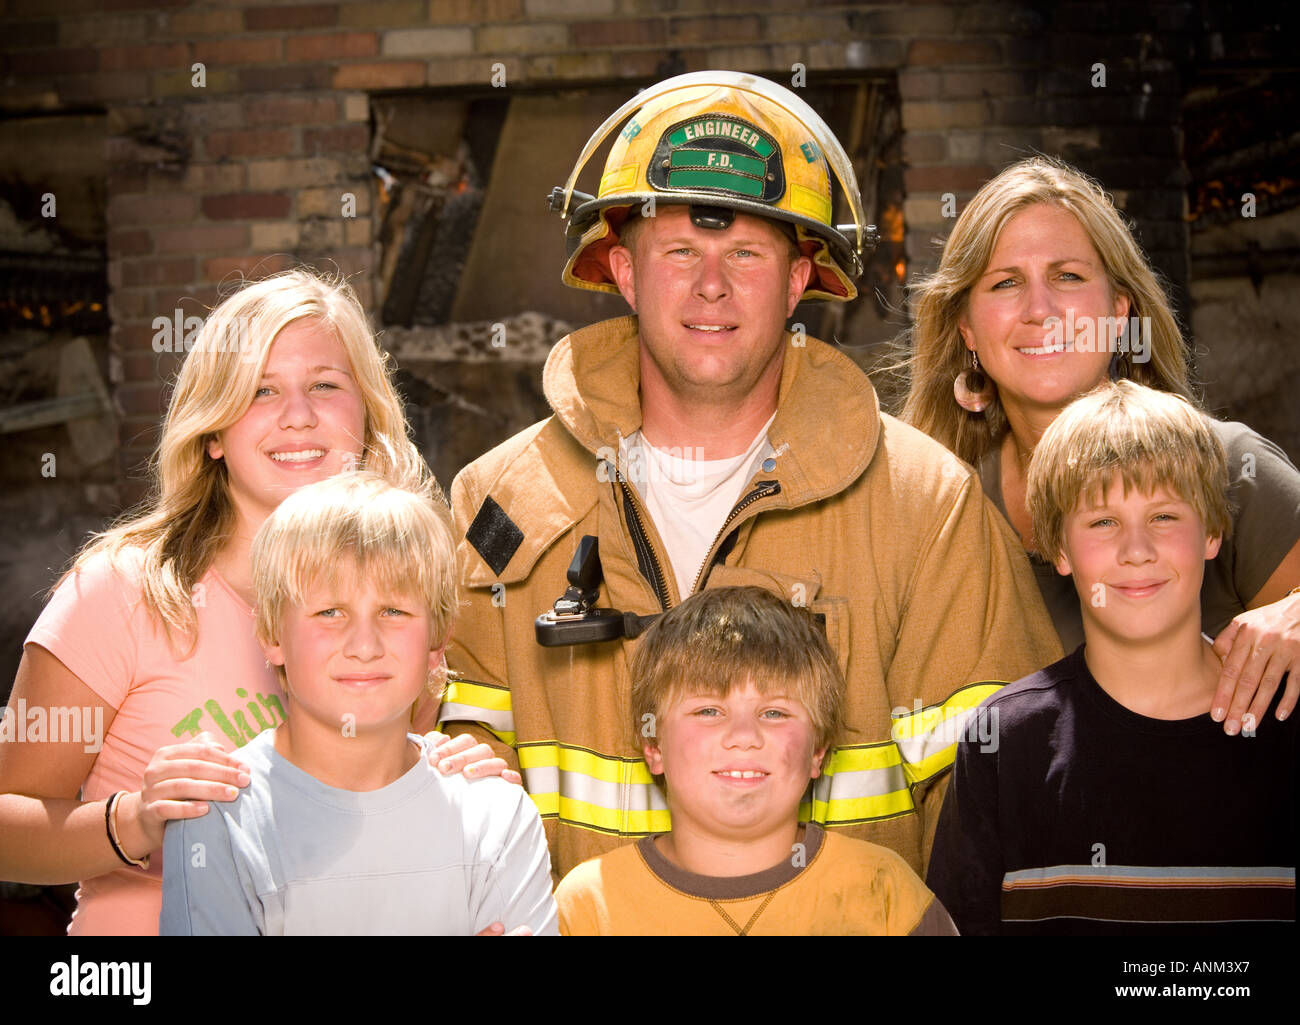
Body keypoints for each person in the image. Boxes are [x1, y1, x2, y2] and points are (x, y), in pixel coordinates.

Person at [439, 70, 1061, 882]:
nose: (711, 286)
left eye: (744, 252)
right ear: (623, 271)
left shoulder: (924, 504)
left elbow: (999, 804)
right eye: (679, 251)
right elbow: (451, 782)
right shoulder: (500, 504)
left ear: (801, 279)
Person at [0, 269, 510, 935]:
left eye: (325, 385)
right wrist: (135, 818)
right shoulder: (123, 590)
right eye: (261, 390)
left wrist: (452, 781)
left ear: (365, 415)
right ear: (214, 432)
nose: (296, 414)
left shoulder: (399, 605)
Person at [899, 156, 1300, 735]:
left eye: (1068, 276)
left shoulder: (1228, 469)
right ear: (967, 330)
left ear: (1119, 311)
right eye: (1006, 282)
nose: (1040, 310)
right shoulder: (939, 511)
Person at [926, 382, 1296, 933]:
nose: (1136, 549)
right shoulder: (1006, 741)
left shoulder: (1285, 720)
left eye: (1165, 516)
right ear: (1059, 549)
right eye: (1102, 522)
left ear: (1214, 532)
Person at [160, 473, 557, 935]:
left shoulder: (497, 813)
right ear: (271, 634)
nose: (364, 645)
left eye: (394, 612)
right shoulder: (217, 819)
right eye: (329, 612)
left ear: (437, 640)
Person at [555, 586, 956, 935]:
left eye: (774, 713)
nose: (744, 737)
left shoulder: (884, 890)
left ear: (817, 750)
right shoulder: (588, 904)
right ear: (654, 747)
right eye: (708, 711)